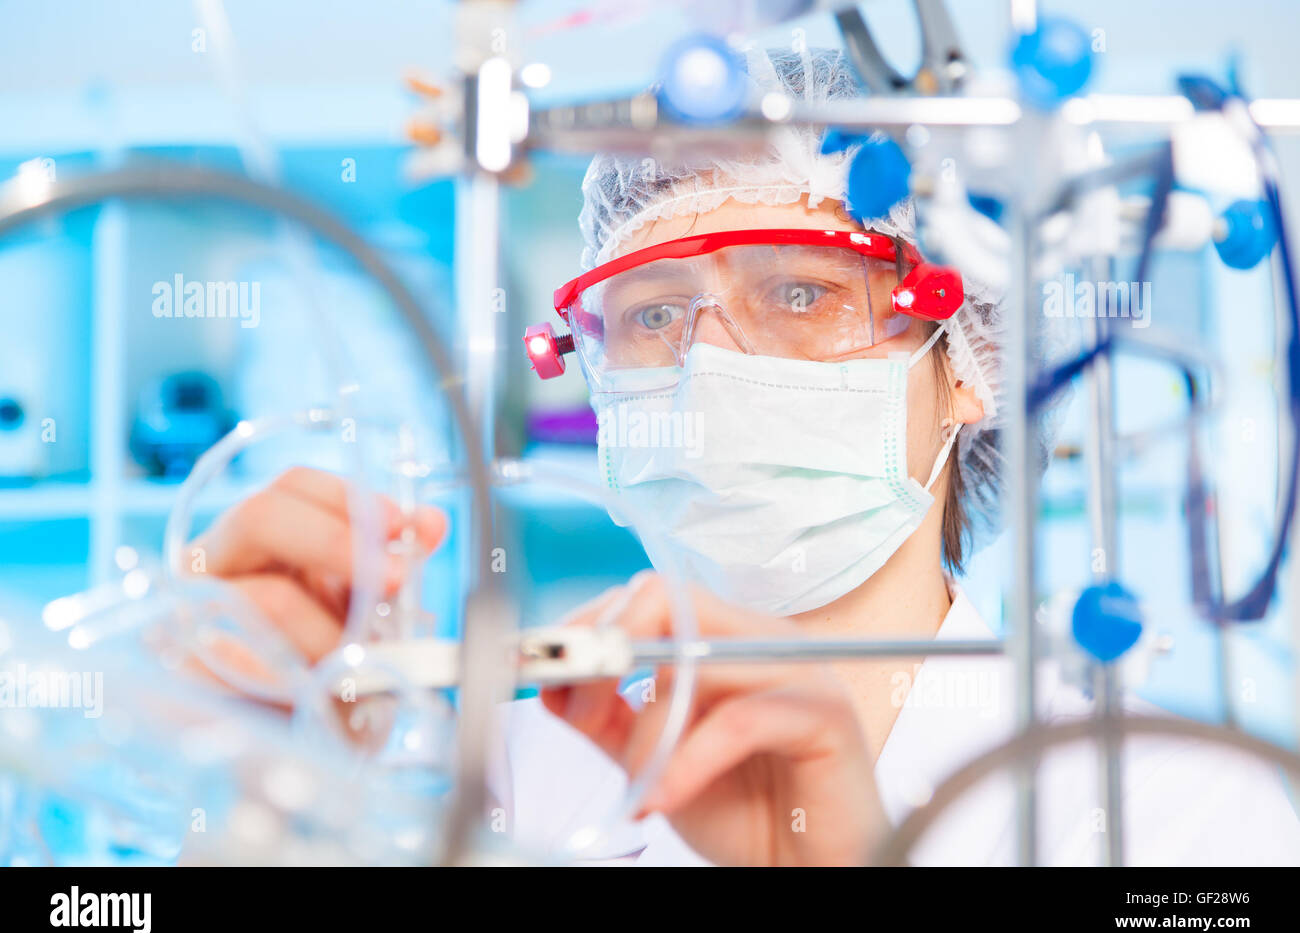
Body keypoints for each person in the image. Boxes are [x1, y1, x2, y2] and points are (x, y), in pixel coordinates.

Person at [194, 47, 1300, 866]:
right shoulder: (492, 779)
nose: (705, 372)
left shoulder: (1170, 801)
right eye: (652, 318)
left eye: (799, 293)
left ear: (970, 363)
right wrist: (267, 787)